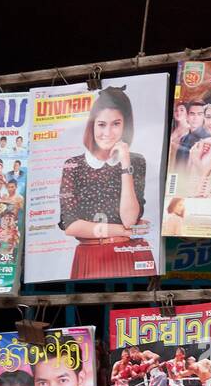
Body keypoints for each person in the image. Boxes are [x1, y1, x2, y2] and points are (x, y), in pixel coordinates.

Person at [57, 86, 154, 279]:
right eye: (101, 124)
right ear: (92, 126)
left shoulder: (136, 161)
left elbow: (129, 218)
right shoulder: (73, 165)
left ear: (126, 125)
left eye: (116, 124)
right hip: (90, 255)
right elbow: (71, 225)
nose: (107, 132)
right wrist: (125, 231)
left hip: (130, 252)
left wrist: (125, 164)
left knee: (137, 308)